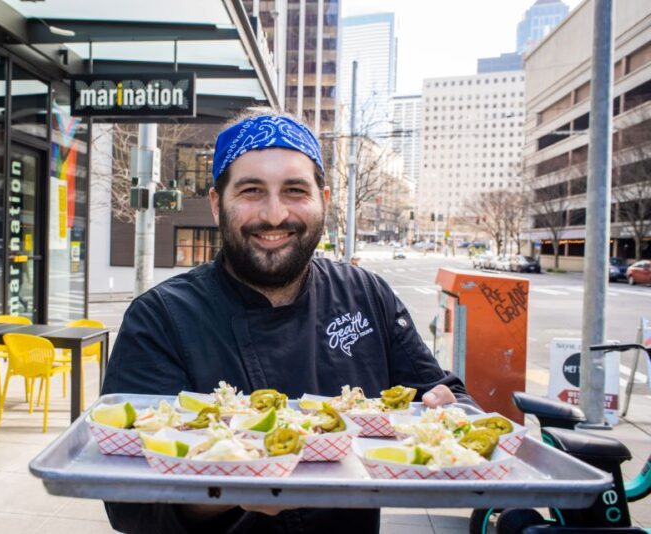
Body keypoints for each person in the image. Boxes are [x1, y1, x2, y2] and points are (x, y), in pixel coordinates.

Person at [101, 111, 473, 534]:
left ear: (324, 200)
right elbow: (128, 503)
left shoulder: (366, 294)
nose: (275, 215)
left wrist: (452, 416)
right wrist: (230, 486)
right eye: (252, 191)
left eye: (295, 190)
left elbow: (447, 399)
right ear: (217, 204)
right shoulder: (160, 317)